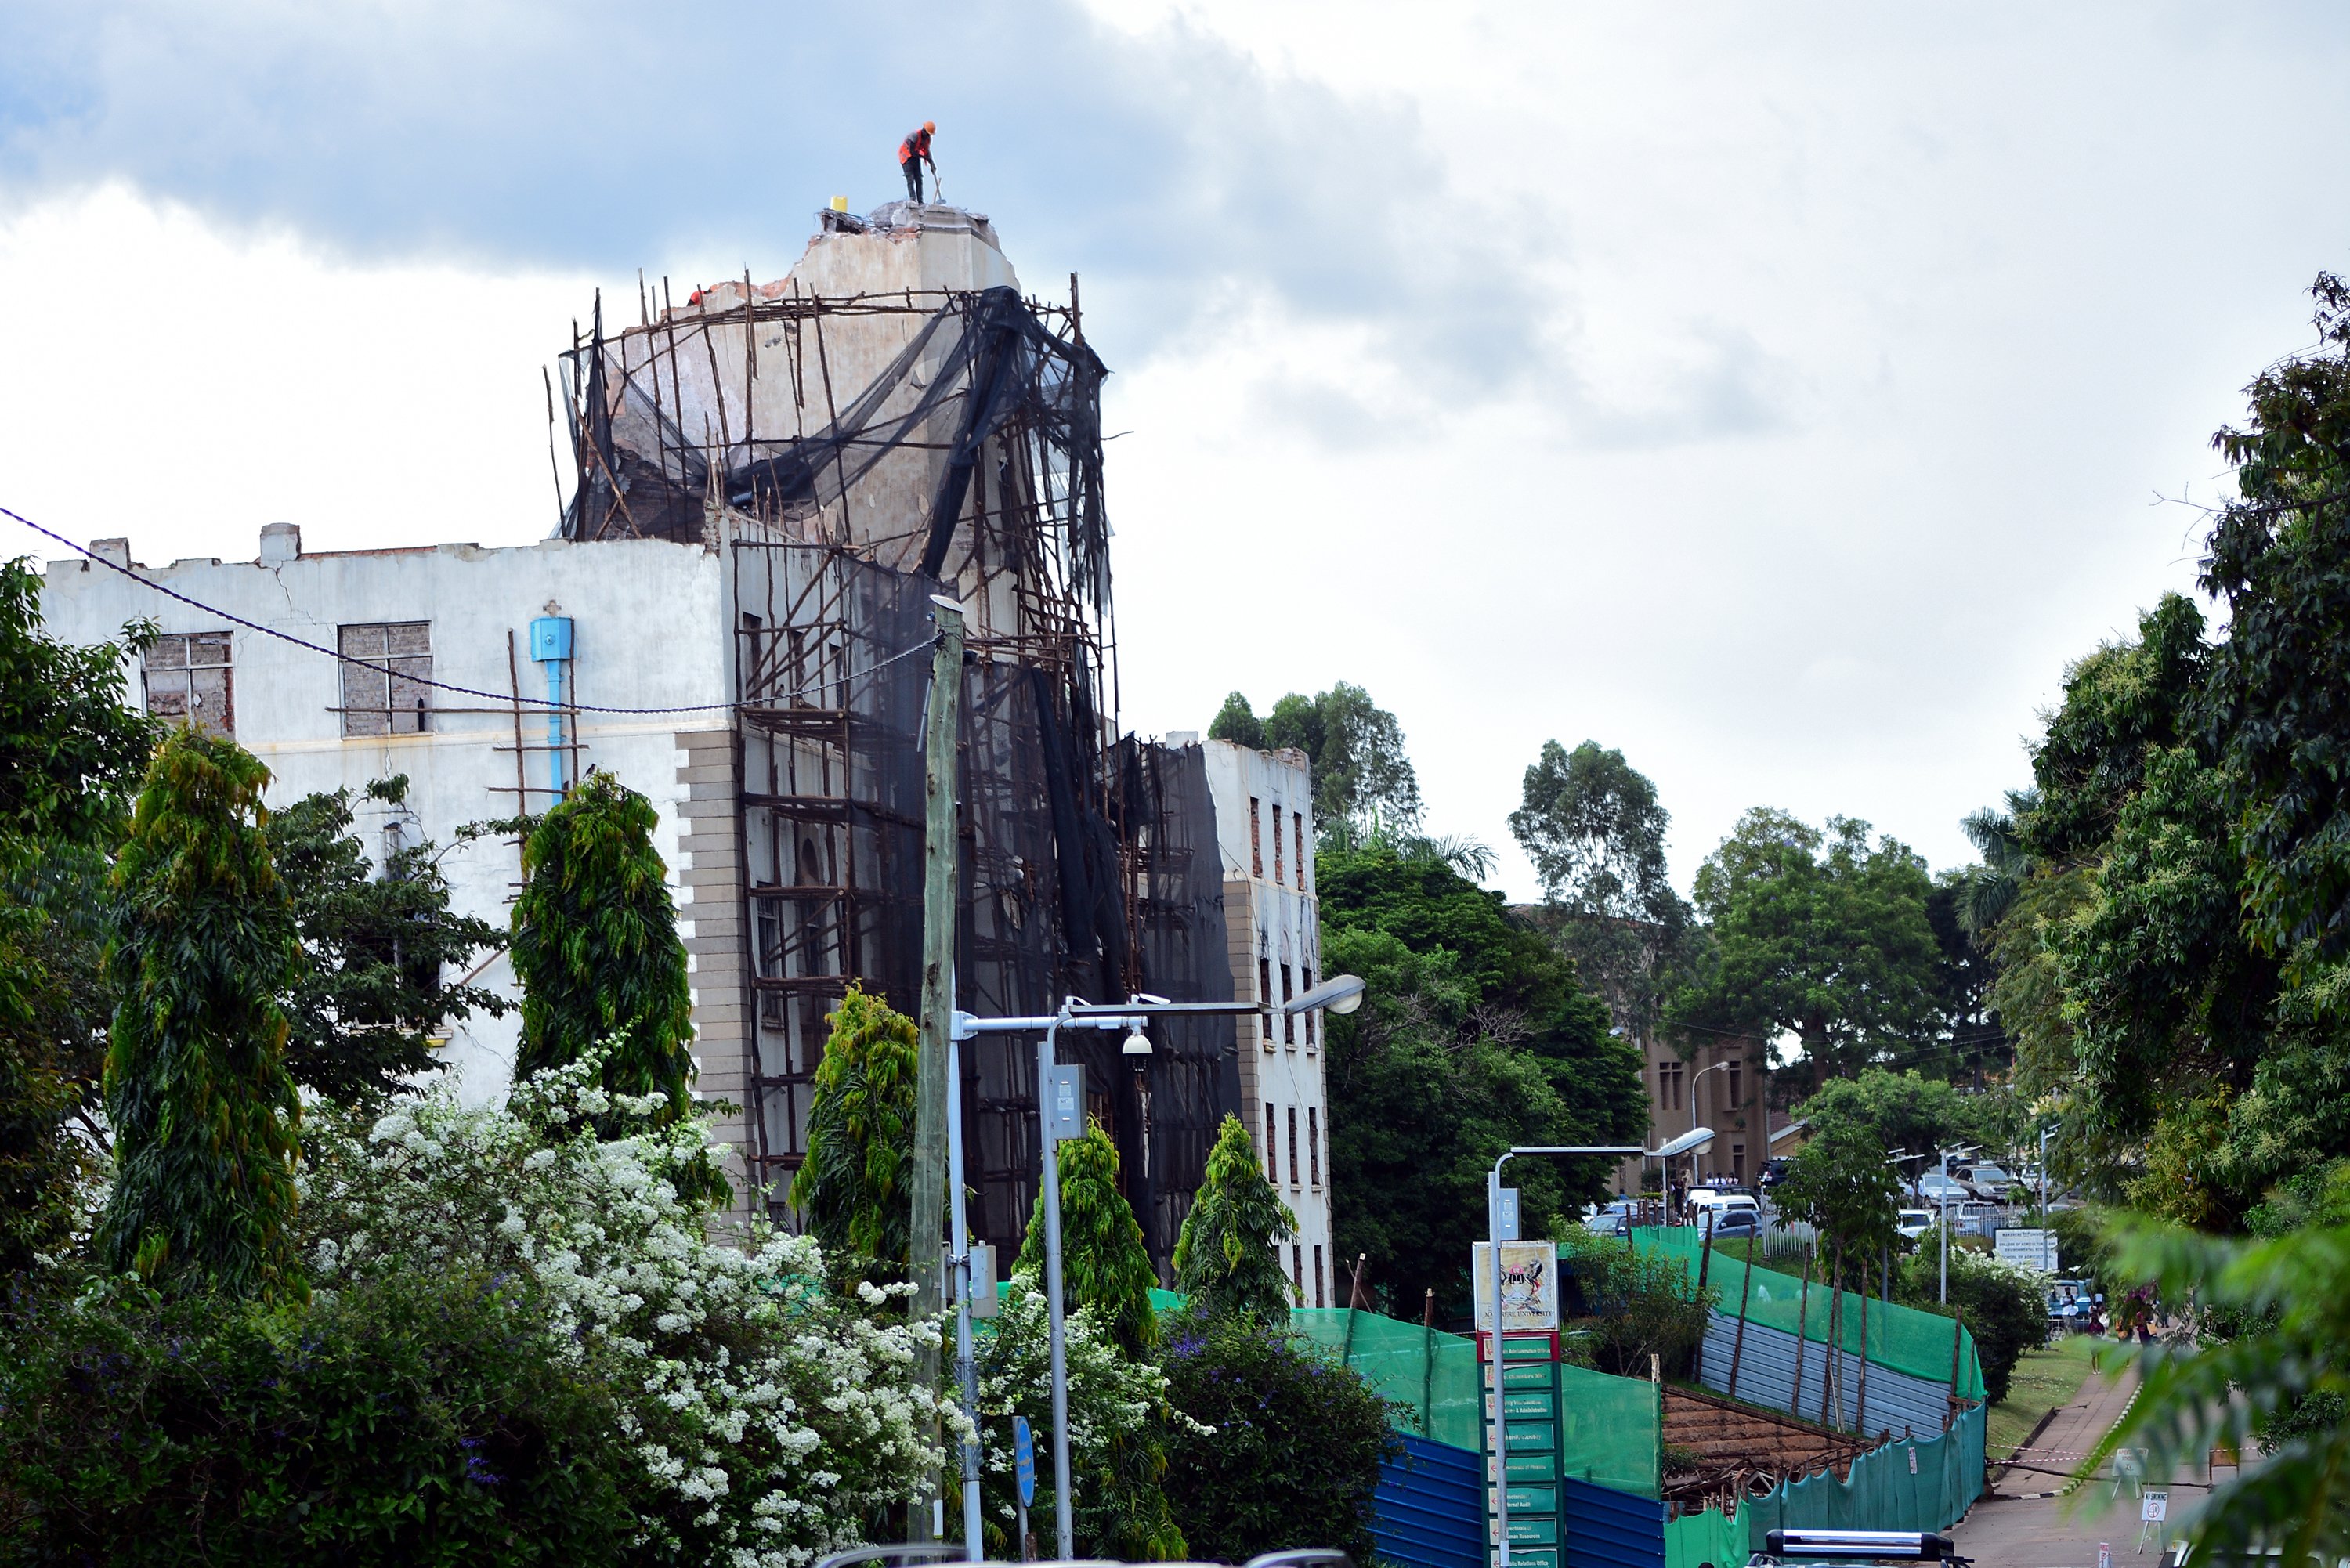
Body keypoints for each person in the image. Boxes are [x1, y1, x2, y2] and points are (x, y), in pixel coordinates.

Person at [898, 121, 937, 204]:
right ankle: (913, 199)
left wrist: (932, 163)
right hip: (906, 156)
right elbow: (912, 152)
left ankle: (920, 201)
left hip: (916, 156)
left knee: (919, 179)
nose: (928, 136)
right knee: (910, 178)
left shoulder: (927, 139)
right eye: (928, 134)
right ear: (924, 130)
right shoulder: (914, 135)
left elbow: (927, 151)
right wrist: (925, 158)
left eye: (930, 135)